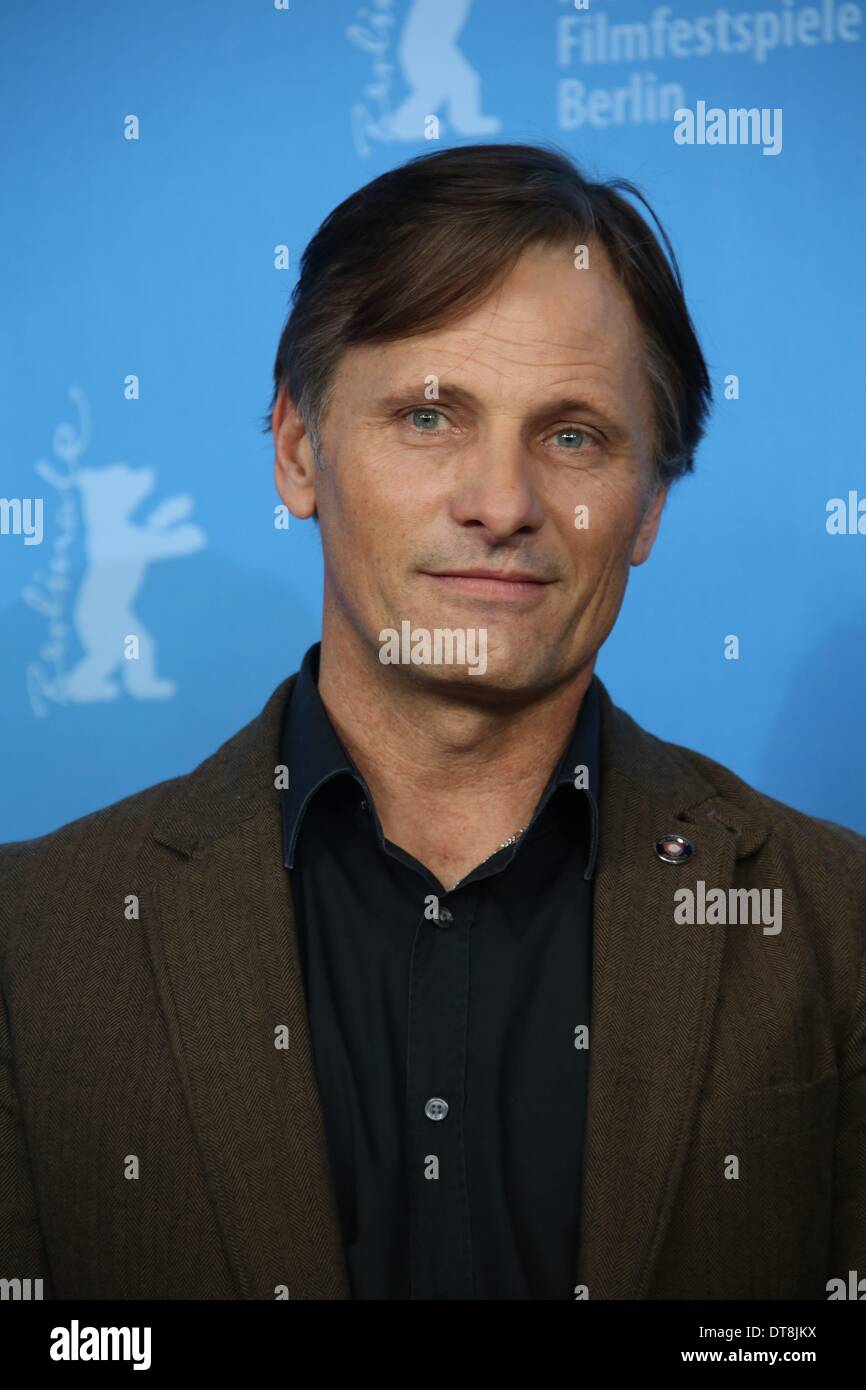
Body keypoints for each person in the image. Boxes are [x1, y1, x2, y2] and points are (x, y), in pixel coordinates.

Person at [1, 143, 863, 1301]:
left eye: (571, 436)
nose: (501, 504)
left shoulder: (835, 925)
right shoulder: (32, 946)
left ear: (648, 502)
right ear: (299, 451)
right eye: (426, 416)